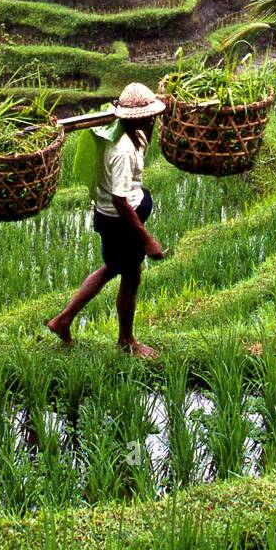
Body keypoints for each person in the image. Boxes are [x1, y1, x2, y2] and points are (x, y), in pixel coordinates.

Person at [47, 82, 166, 358]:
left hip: (119, 216)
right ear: (139, 118)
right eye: (151, 115)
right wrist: (145, 238)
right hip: (120, 221)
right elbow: (119, 201)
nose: (155, 119)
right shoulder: (122, 150)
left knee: (113, 268)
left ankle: (63, 320)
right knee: (131, 276)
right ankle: (126, 341)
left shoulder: (132, 131)